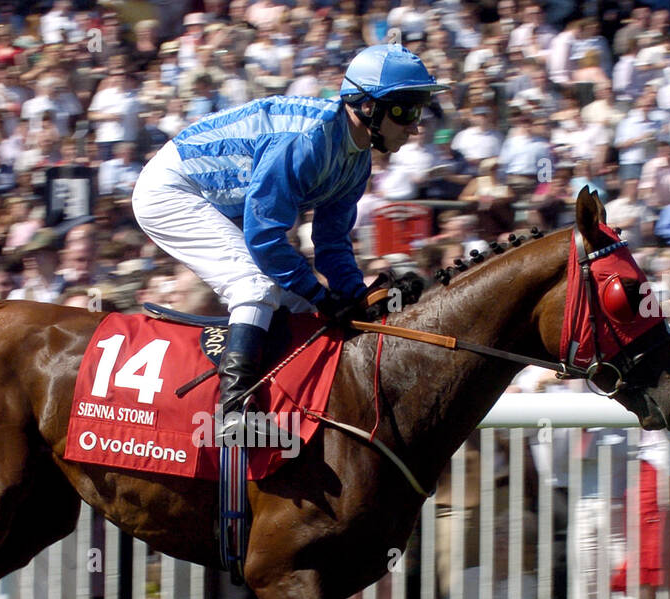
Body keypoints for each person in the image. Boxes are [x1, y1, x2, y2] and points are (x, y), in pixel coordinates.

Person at [130, 43, 445, 440]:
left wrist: (353, 295)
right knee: (254, 286)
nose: (415, 126)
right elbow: (264, 236)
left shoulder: (357, 158)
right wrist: (320, 294)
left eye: (418, 112)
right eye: (406, 111)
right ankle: (233, 411)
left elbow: (332, 243)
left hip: (222, 200)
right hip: (172, 190)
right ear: (367, 106)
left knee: (298, 304)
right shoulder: (308, 142)